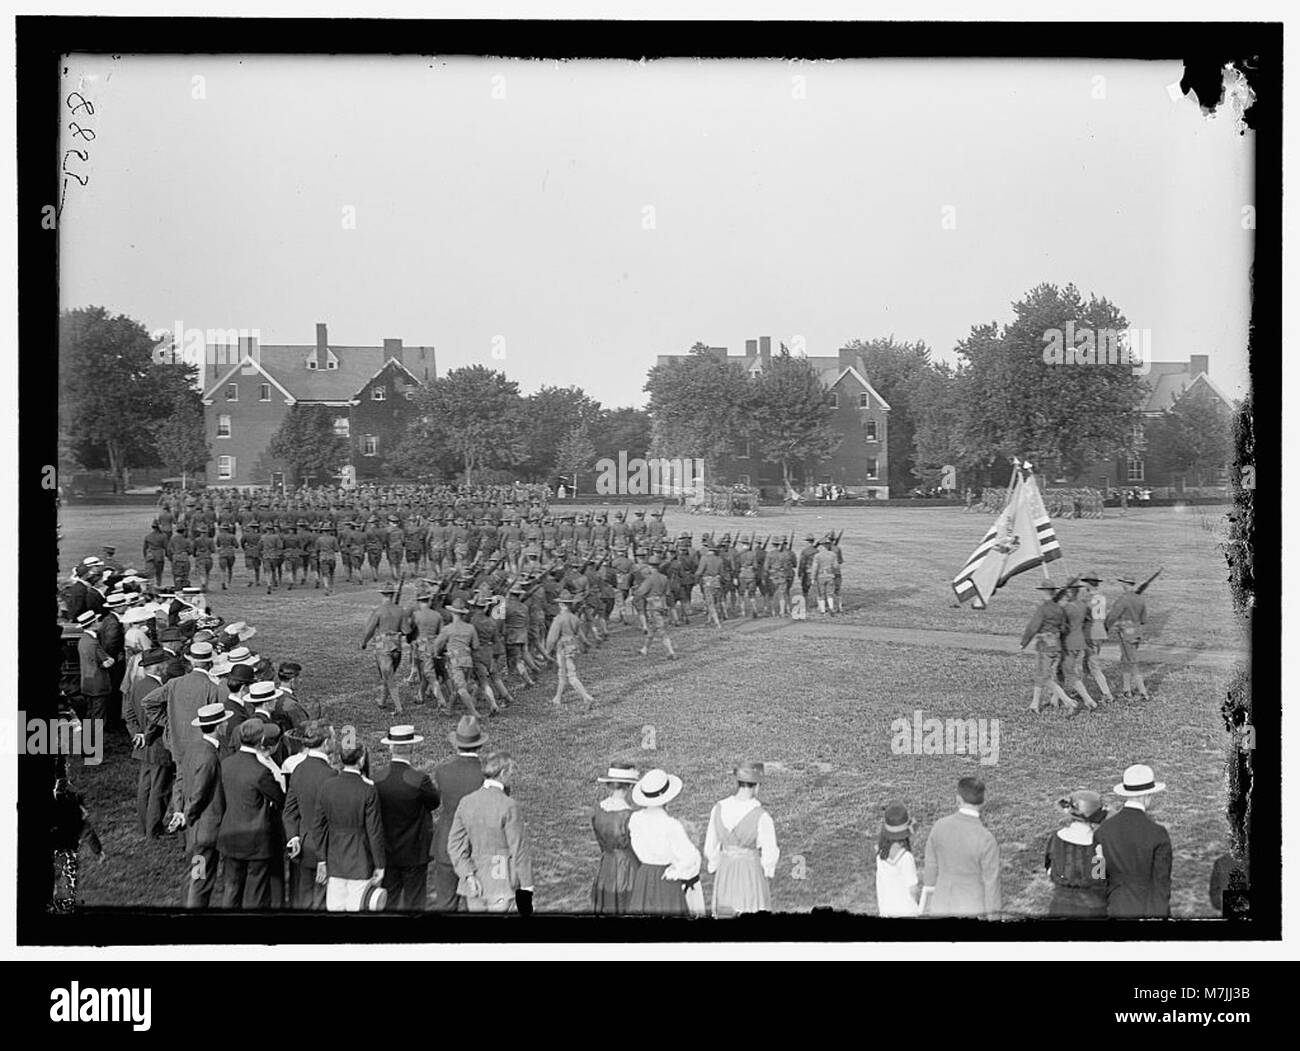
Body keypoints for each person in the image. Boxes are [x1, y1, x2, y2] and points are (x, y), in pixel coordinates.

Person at [447, 750, 535, 914]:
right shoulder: (509, 805)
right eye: (510, 773)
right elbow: (519, 850)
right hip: (501, 880)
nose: (511, 777)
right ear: (502, 773)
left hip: (474, 881)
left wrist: (468, 875)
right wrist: (527, 887)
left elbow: (454, 845)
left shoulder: (466, 802)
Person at [311, 736, 387, 912]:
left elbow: (318, 826)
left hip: (335, 858)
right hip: (360, 859)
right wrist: (380, 864)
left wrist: (322, 858)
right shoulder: (368, 789)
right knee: (357, 907)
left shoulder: (327, 786)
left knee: (335, 906)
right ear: (361, 760)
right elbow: (374, 831)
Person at [217, 718, 287, 909]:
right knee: (256, 892)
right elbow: (280, 799)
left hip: (230, 833)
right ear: (260, 740)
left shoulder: (226, 763)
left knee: (231, 888)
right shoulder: (261, 771)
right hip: (256, 839)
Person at [169, 702, 232, 908]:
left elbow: (179, 781)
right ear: (219, 726)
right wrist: (187, 814)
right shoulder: (210, 757)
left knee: (194, 876)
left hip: (194, 831)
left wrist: (178, 811)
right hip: (205, 830)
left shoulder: (193, 749)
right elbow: (200, 793)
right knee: (201, 881)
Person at [1092, 764, 1172, 917]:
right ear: (1146, 795)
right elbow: (1161, 885)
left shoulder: (1102, 831)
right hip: (1148, 909)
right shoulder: (1158, 833)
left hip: (1114, 909)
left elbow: (1097, 877)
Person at [375, 725, 440, 911]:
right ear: (411, 748)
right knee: (415, 901)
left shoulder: (377, 778)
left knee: (389, 899)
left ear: (390, 748)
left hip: (387, 850)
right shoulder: (419, 779)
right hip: (415, 851)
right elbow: (434, 802)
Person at [703, 761, 778, 917]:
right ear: (757, 786)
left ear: (738, 782)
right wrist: (767, 869)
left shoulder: (718, 808)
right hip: (750, 873)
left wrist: (715, 863)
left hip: (726, 870)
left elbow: (711, 847)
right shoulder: (762, 816)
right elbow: (770, 853)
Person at [920, 777, 1002, 918]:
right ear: (982, 802)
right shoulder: (987, 839)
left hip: (940, 906)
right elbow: (991, 886)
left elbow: (930, 872)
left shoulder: (939, 826)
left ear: (958, 799)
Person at [430, 716, 488, 911]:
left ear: (457, 745)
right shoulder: (487, 774)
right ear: (479, 745)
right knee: (479, 902)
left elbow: (438, 801)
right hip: (478, 847)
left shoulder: (442, 771)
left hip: (446, 843)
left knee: (445, 903)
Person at [627, 768, 701, 916]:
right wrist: (676, 871)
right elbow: (690, 856)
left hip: (644, 876)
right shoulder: (670, 824)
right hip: (665, 879)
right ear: (666, 797)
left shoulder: (635, 819)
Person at [283, 720, 337, 909]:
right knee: (322, 902)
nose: (336, 740)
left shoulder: (298, 770)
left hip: (303, 847)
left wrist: (293, 838)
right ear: (325, 742)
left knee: (304, 898)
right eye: (333, 737)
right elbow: (331, 820)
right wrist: (323, 858)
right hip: (326, 850)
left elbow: (289, 812)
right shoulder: (331, 776)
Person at [122, 648, 176, 838]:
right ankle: (154, 829)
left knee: (145, 787)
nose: (167, 666)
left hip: (143, 745)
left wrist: (137, 733)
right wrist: (147, 734)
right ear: (159, 667)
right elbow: (156, 718)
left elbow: (128, 711)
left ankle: (143, 826)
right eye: (165, 663)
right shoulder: (159, 688)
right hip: (158, 744)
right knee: (160, 788)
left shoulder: (137, 684)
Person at [1043, 790, 1109, 918]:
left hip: (1059, 907)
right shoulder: (1100, 844)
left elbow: (1050, 869)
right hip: (1093, 910)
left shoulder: (1056, 838)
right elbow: (1101, 877)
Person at [590, 761, 641, 915]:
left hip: (606, 865)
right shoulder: (630, 816)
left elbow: (600, 841)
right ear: (630, 787)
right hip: (628, 869)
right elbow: (638, 848)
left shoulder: (599, 809)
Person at [1020, 582, 1076, 714]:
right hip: (1056, 645)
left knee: (1044, 677)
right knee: (1041, 675)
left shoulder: (1043, 609)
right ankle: (1034, 704)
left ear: (1044, 592)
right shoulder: (1059, 609)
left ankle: (1068, 701)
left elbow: (1033, 627)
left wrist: (1024, 642)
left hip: (1044, 646)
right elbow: (1063, 627)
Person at [360, 583, 411, 713]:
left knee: (389, 677)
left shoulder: (378, 610)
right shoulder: (400, 610)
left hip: (382, 646)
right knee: (388, 675)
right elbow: (406, 630)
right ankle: (382, 700)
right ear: (393, 594)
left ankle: (398, 706)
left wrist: (364, 642)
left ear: (382, 594)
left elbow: (369, 630)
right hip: (397, 646)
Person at [545, 589, 596, 707]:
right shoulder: (574, 618)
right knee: (563, 673)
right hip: (573, 645)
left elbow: (552, 638)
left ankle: (587, 697)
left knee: (570, 675)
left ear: (561, 604)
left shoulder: (559, 619)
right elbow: (580, 633)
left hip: (562, 647)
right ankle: (557, 698)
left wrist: (547, 651)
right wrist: (586, 643)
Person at [1105, 575, 1152, 701]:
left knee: (1132, 662)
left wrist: (1106, 627)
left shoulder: (1123, 599)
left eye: (1123, 583)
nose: (1122, 585)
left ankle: (1143, 692)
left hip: (1125, 633)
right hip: (1136, 633)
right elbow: (1143, 619)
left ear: (1126, 584)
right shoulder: (1140, 599)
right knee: (1125, 660)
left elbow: (1112, 616)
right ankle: (1126, 690)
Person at [874, 803, 921, 917]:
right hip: (906, 912)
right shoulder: (905, 858)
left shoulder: (880, 853)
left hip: (886, 912)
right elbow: (913, 890)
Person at [76, 609, 116, 727]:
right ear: (94, 623)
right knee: (99, 714)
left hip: (87, 683)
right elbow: (107, 662)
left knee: (91, 712)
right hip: (98, 683)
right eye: (98, 621)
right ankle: (96, 739)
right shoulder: (93, 643)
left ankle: (89, 737)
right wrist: (111, 660)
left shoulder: (83, 640)